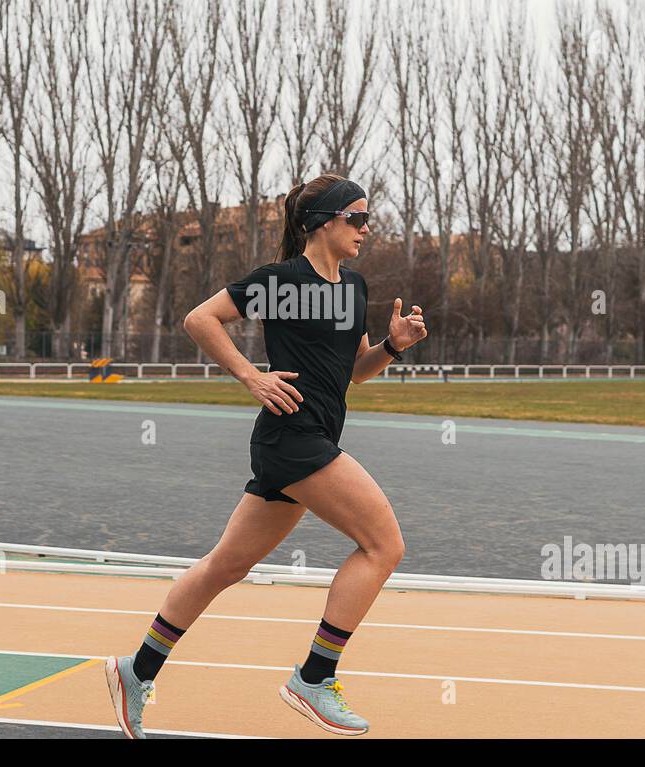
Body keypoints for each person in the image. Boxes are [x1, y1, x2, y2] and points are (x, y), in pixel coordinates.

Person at [104, 173, 428, 738]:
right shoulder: (280, 281)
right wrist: (251, 375)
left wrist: (393, 346)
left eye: (368, 218)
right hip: (294, 438)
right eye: (358, 217)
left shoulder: (353, 287)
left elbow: (352, 371)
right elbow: (199, 319)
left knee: (225, 567)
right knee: (384, 545)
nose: (366, 228)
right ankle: (314, 677)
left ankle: (137, 670)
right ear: (324, 221)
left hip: (307, 438)